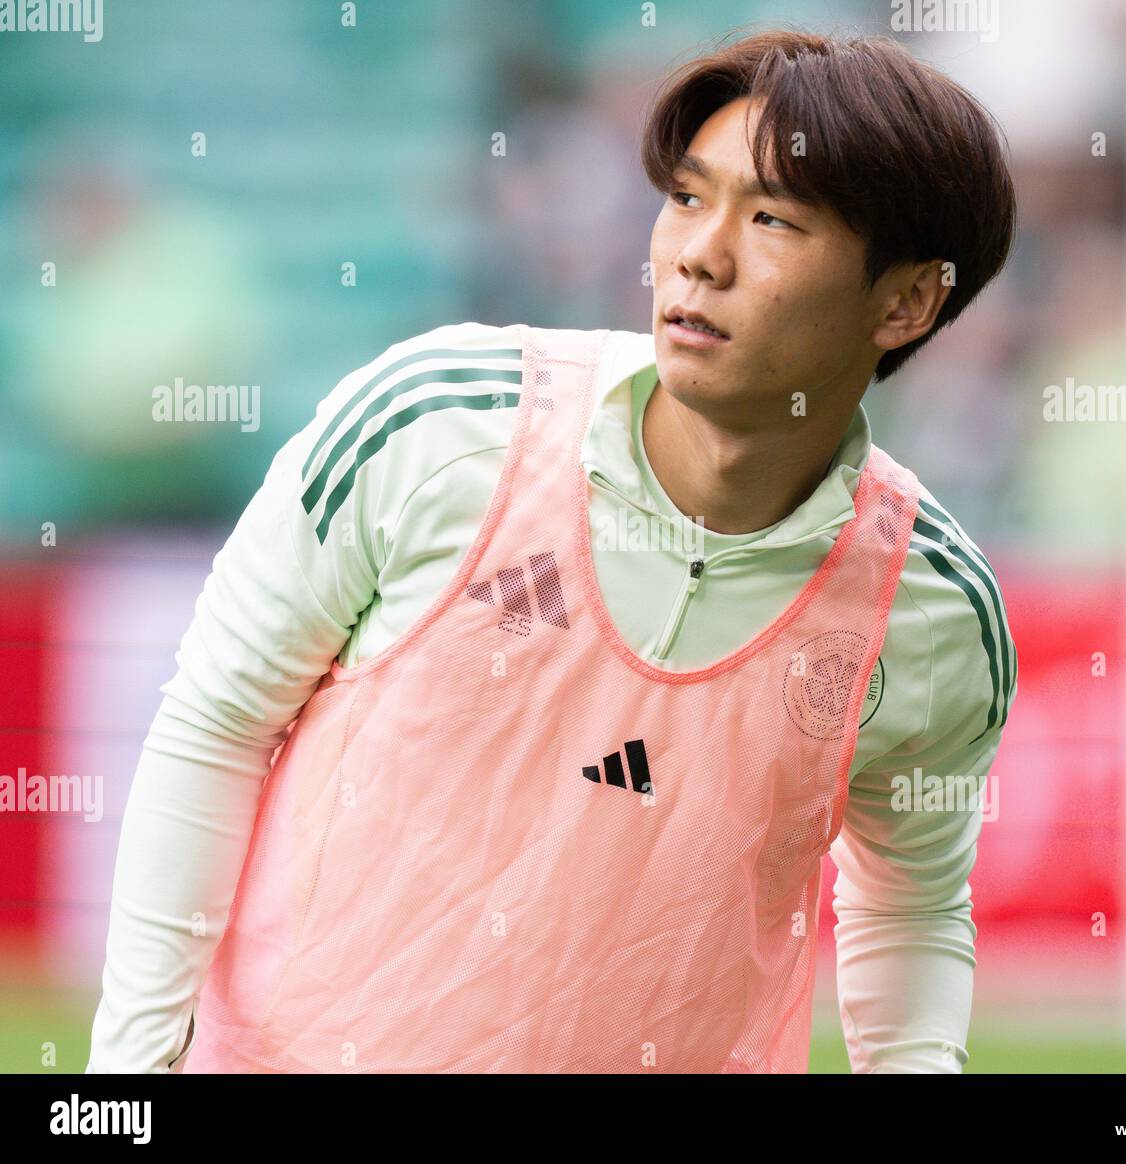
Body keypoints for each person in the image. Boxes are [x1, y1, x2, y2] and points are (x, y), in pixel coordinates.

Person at [88, 28, 1018, 1073]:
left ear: (905, 301)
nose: (698, 253)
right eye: (685, 197)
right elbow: (216, 722)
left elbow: (912, 911)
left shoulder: (934, 612)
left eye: (770, 219)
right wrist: (127, 1078)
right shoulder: (433, 427)